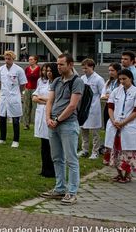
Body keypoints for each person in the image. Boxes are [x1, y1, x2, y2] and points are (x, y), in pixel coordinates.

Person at [41, 53, 84, 205]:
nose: (58, 67)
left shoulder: (77, 82)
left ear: (71, 64)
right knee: (57, 158)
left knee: (71, 159)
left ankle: (71, 192)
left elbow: (72, 105)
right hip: (53, 123)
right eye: (57, 64)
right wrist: (48, 118)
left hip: (67, 124)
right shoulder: (57, 81)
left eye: (61, 64)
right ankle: (59, 188)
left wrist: (58, 120)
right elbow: (49, 101)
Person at [104, 69, 136, 183]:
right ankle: (119, 173)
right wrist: (113, 121)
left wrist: (123, 123)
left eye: (124, 79)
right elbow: (110, 107)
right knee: (115, 149)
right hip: (115, 124)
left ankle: (127, 174)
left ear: (130, 78)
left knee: (128, 152)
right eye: (120, 79)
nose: (122, 81)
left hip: (128, 125)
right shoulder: (116, 91)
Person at [0, 50, 27, 147]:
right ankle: (2, 138)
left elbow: (23, 84)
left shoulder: (19, 70)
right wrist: (2, 91)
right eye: (6, 58)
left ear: (13, 59)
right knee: (2, 118)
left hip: (14, 96)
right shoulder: (1, 69)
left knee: (15, 119)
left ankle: (16, 140)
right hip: (4, 96)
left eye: (9, 59)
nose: (7, 60)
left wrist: (18, 93)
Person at [33, 63, 58, 178]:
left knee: (51, 145)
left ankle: (52, 171)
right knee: (43, 145)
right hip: (41, 114)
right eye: (46, 71)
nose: (48, 73)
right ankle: (44, 169)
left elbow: (55, 100)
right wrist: (46, 100)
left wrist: (42, 99)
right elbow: (34, 97)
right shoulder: (42, 82)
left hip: (51, 115)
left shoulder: (58, 83)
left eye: (50, 71)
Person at [79, 59, 105, 159]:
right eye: (83, 68)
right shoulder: (82, 78)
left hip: (94, 107)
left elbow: (102, 93)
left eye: (86, 68)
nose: (84, 70)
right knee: (83, 130)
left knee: (95, 132)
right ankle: (84, 150)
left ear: (92, 67)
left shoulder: (98, 79)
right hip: (84, 107)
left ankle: (95, 151)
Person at [23, 55, 41, 130]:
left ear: (35, 60)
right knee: (26, 106)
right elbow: (24, 79)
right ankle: (26, 124)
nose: (29, 60)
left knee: (35, 107)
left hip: (35, 89)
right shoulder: (27, 69)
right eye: (29, 59)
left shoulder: (39, 69)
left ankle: (35, 123)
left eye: (31, 59)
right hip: (27, 88)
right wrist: (24, 89)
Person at [103, 63, 122, 127]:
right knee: (107, 124)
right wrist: (106, 95)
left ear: (118, 71)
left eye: (112, 70)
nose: (110, 72)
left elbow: (119, 94)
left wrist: (110, 95)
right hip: (108, 104)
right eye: (109, 70)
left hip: (117, 105)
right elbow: (103, 93)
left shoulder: (121, 82)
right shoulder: (109, 81)